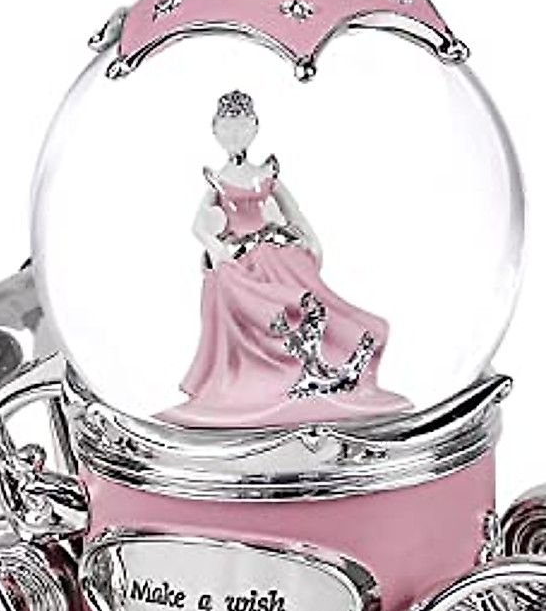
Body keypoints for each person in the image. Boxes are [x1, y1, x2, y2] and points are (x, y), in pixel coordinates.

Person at [158, 90, 410, 427]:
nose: (235, 134)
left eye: (242, 126)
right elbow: (197, 226)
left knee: (305, 298)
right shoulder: (218, 181)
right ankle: (251, 377)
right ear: (215, 130)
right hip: (241, 257)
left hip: (274, 252)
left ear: (254, 127)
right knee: (230, 288)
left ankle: (315, 368)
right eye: (228, 127)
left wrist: (313, 241)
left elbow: (294, 212)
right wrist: (216, 249)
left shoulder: (265, 173)